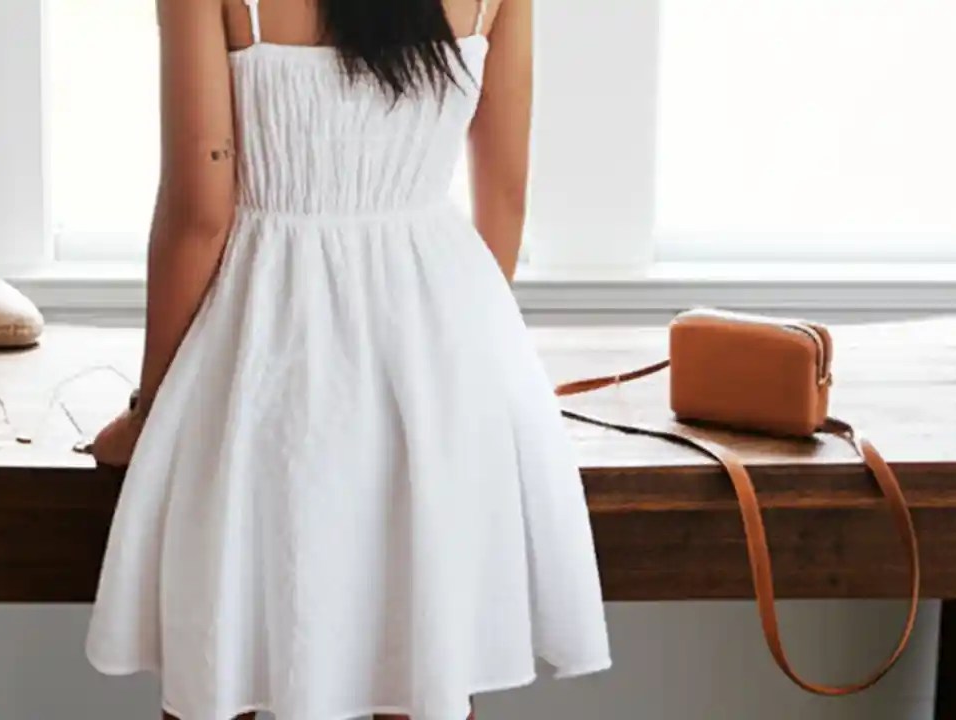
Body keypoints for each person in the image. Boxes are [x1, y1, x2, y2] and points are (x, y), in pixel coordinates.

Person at [87, 1, 610, 717]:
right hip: (439, 352)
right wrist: (460, 353)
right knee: (416, 666)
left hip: (262, 343)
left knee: (225, 659)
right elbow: (506, 197)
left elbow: (199, 214)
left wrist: (149, 413)